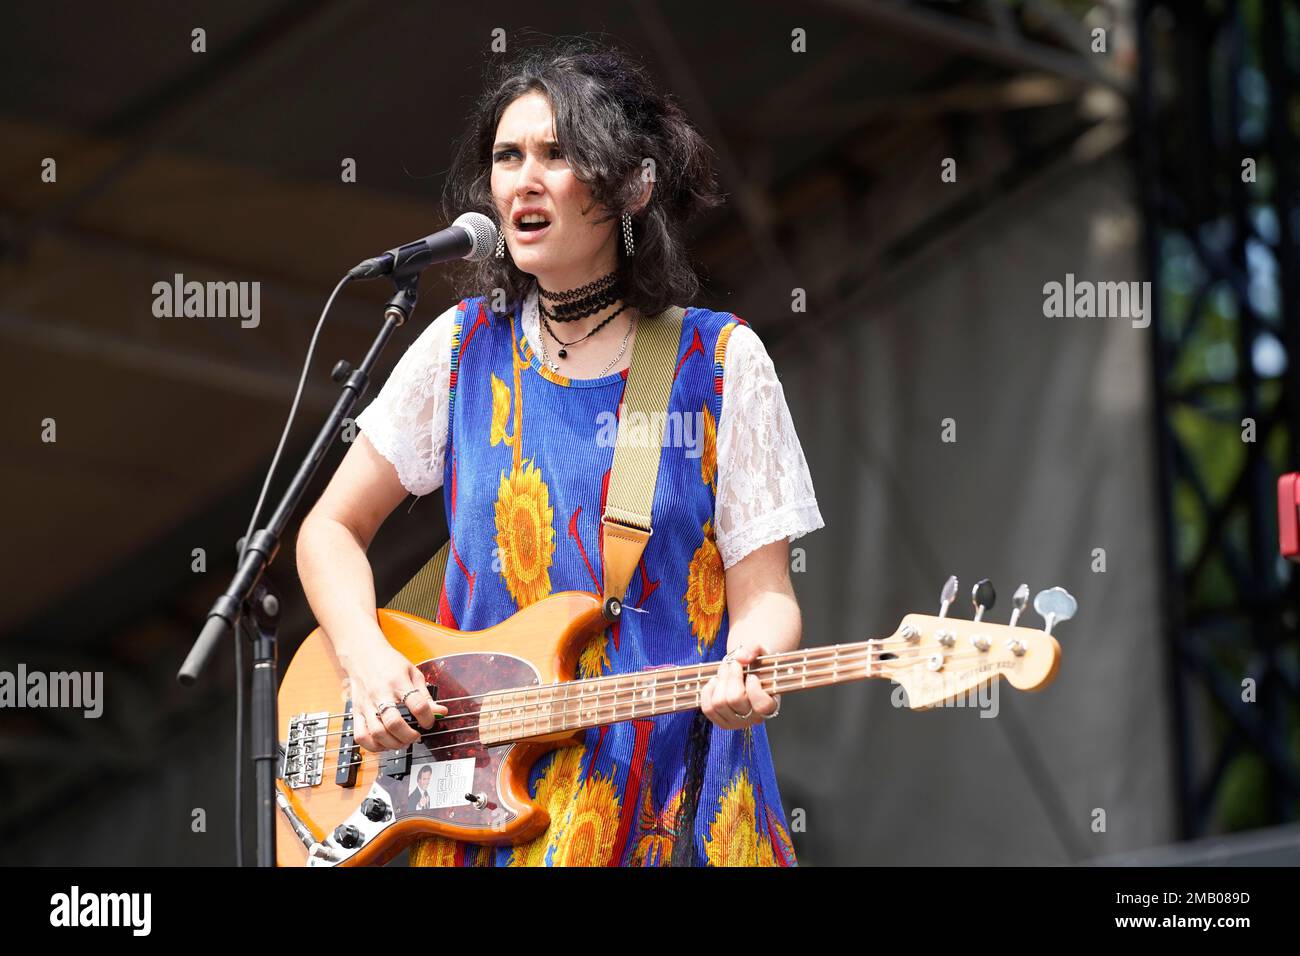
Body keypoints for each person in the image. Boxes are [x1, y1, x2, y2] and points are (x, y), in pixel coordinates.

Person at [296, 38, 823, 867]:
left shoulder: (716, 363)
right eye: (508, 156)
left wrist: (754, 662)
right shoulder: (460, 348)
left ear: (633, 186)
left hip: (672, 798)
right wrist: (366, 663)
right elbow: (327, 530)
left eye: (558, 153)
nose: (523, 179)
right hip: (485, 811)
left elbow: (767, 595)